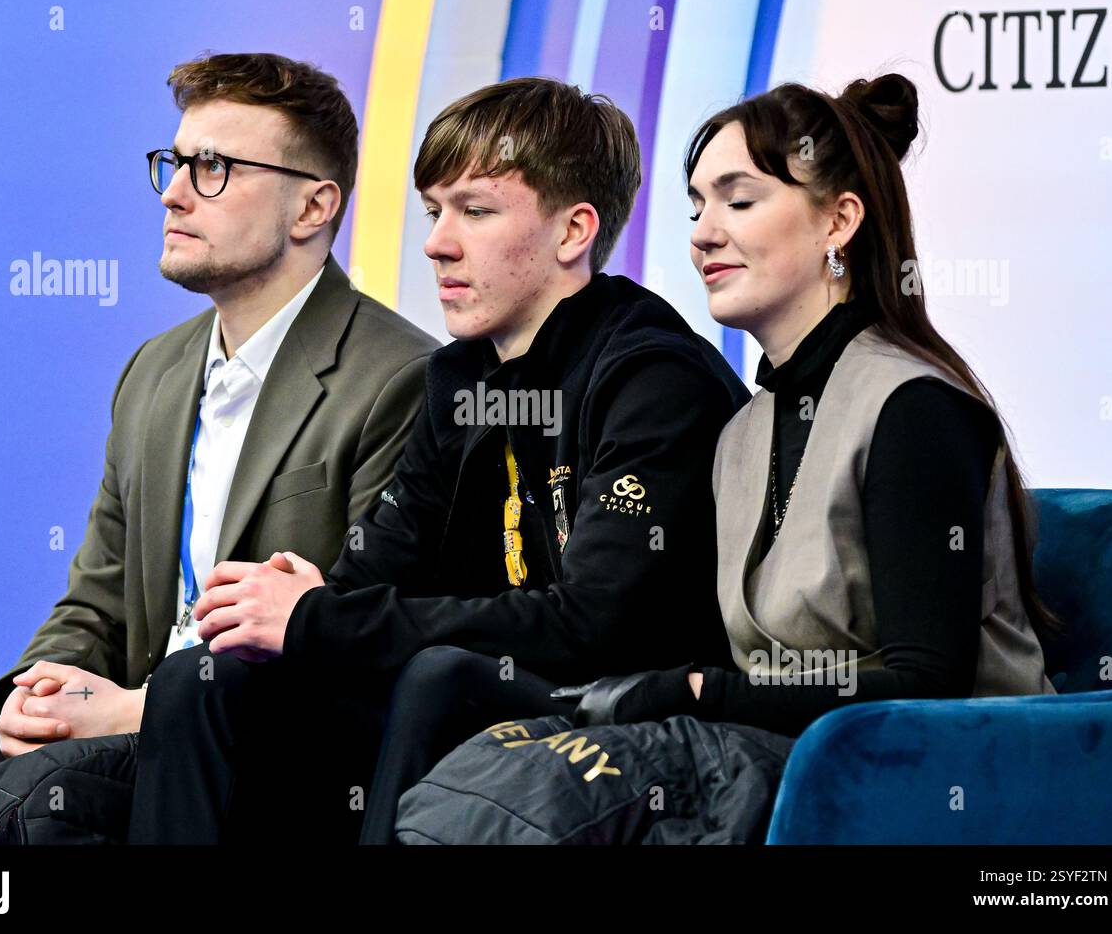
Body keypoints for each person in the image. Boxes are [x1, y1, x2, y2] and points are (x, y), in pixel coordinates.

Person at [390, 73, 1059, 845]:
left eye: (737, 201)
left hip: (931, 779)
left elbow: (925, 685)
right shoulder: (747, 426)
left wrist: (703, 692)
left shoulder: (914, 407)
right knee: (473, 770)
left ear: (839, 221)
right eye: (696, 206)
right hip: (763, 759)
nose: (703, 232)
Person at [126, 76, 752, 845]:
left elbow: (593, 624)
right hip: (485, 692)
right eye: (433, 211)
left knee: (443, 678)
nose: (436, 242)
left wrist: (326, 616)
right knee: (207, 678)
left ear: (573, 231)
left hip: (624, 715)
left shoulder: (654, 378)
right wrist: (294, 602)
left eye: (476, 211)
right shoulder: (460, 379)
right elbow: (375, 575)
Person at [0, 52, 437, 844]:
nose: (172, 191)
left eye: (213, 168)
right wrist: (43, 687)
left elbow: (357, 644)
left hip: (245, 749)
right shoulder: (155, 370)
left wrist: (134, 709)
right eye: (173, 162)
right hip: (125, 725)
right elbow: (94, 599)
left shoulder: (403, 377)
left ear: (313, 208)